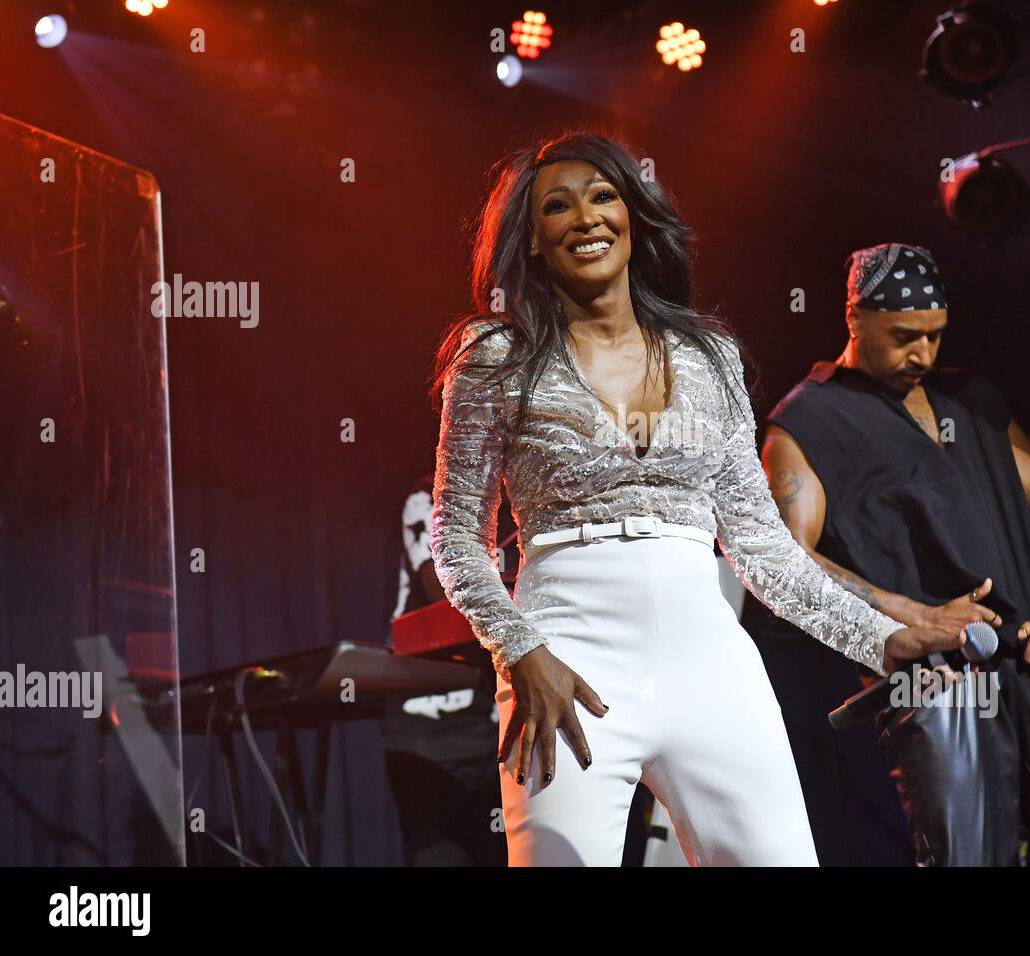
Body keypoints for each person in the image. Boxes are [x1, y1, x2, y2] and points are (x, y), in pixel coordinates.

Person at [426, 133, 959, 866]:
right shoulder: (496, 356)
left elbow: (763, 548)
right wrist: (521, 651)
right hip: (567, 663)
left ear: (635, 218)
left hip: (711, 664)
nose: (586, 217)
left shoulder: (708, 357)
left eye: (604, 196)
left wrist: (880, 638)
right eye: (558, 206)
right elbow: (456, 537)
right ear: (535, 242)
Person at [758, 242, 1030, 865]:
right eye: (905, 336)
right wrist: (916, 615)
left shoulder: (973, 398)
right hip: (933, 682)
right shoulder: (804, 423)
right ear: (853, 319)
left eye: (936, 336)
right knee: (970, 856)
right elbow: (787, 564)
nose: (924, 354)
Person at [379, 474, 507, 866]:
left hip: (489, 729)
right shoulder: (427, 497)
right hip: (427, 732)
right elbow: (444, 594)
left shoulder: (522, 506)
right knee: (439, 853)